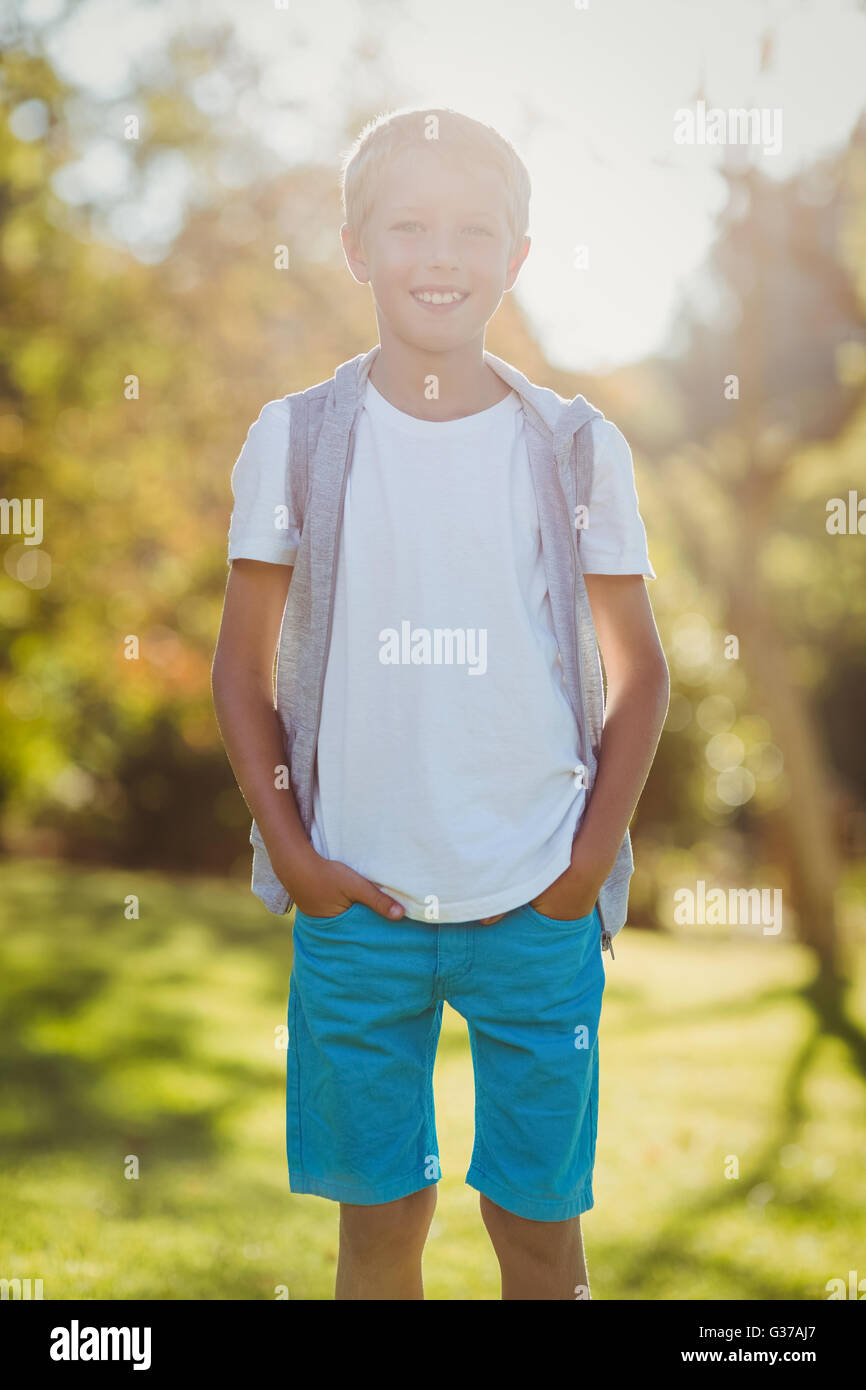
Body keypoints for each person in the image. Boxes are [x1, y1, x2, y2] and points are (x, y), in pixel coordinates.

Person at [211, 106, 670, 1301]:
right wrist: (295, 854)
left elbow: (641, 672)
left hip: (536, 905)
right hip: (356, 905)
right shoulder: (295, 439)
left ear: (515, 257)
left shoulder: (572, 446)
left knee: (535, 1238)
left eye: (472, 230)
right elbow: (241, 667)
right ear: (356, 247)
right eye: (407, 226)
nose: (439, 256)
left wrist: (583, 869)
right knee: (378, 1233)